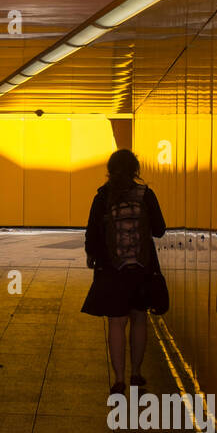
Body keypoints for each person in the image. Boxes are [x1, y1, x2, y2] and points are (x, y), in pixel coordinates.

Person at [81, 149, 166, 396]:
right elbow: (159, 230)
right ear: (135, 170)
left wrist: (92, 255)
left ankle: (119, 379)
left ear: (109, 170)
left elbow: (92, 233)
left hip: (112, 269)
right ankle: (136, 373)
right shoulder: (146, 195)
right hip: (142, 268)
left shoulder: (103, 196)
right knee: (139, 319)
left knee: (116, 323)